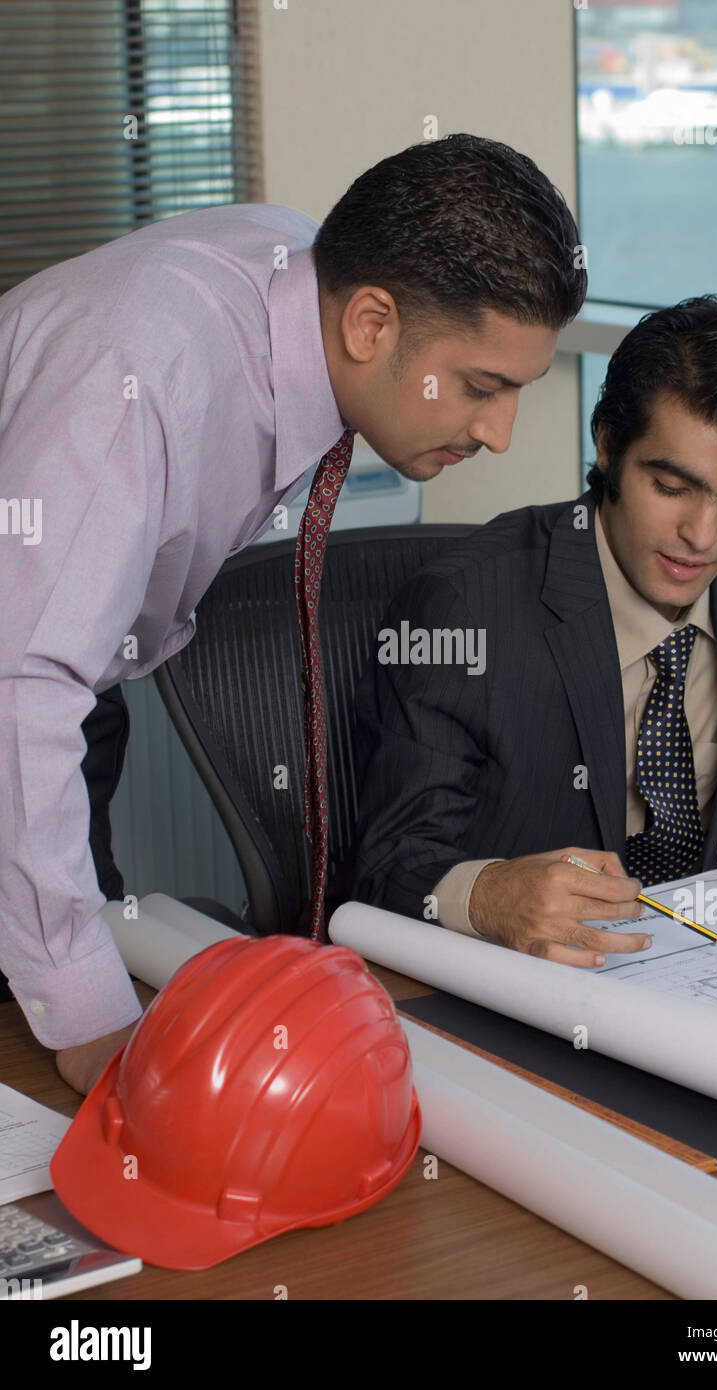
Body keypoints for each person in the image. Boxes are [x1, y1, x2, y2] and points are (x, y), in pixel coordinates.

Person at [0, 133, 586, 1093]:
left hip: (53, 694)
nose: (497, 430)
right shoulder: (138, 372)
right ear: (370, 325)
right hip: (21, 701)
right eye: (482, 388)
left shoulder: (299, 274)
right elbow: (19, 685)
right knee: (64, 1059)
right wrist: (89, 1019)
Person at [346, 295, 717, 963]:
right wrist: (487, 896)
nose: (701, 538)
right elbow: (387, 864)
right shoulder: (465, 606)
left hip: (710, 972)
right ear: (609, 445)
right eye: (671, 487)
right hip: (525, 986)